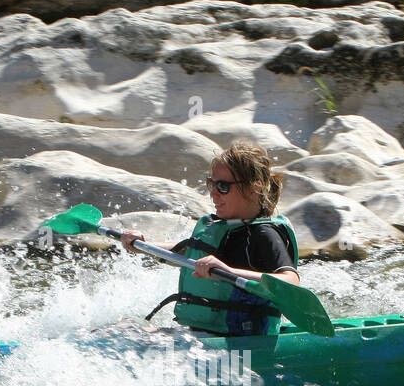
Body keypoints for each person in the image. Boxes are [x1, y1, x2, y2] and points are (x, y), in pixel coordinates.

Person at [121, 141, 300, 337]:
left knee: (122, 338)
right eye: (211, 184)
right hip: (204, 334)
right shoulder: (227, 227)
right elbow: (189, 251)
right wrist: (144, 245)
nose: (213, 193)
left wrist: (229, 271)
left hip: (242, 340)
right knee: (119, 331)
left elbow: (290, 282)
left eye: (223, 186)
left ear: (253, 188)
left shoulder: (264, 234)